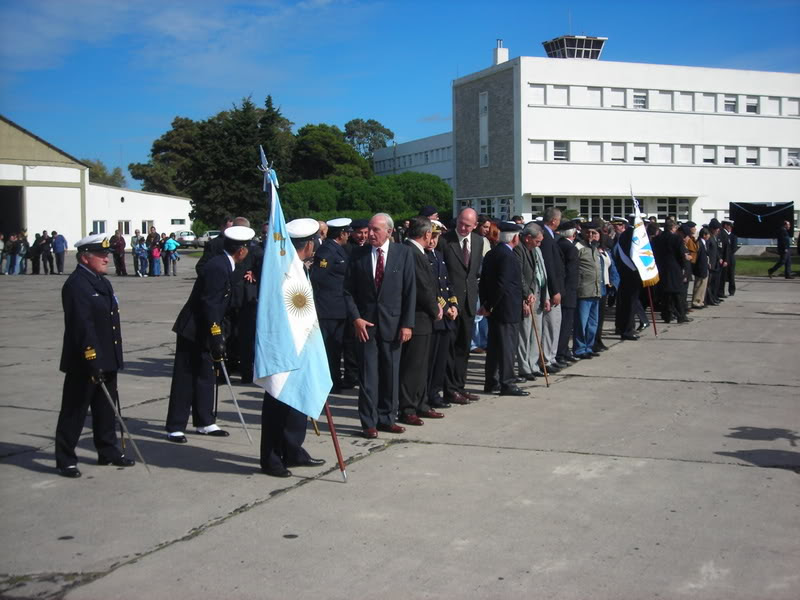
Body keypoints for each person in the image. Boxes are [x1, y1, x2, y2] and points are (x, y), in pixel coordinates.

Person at [164, 225, 255, 443]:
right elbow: (210, 303)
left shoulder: (227, 264)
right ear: (240, 250)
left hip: (207, 327)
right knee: (186, 376)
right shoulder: (218, 266)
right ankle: (175, 425)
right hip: (195, 328)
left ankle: (204, 420)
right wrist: (216, 334)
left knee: (206, 375)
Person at [54, 234, 134, 478]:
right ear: (84, 258)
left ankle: (107, 450)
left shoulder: (101, 281)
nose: (106, 259)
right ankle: (66, 458)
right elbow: (82, 327)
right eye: (101, 255)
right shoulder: (77, 285)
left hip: (107, 357)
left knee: (105, 409)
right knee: (75, 410)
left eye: (107, 254)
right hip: (85, 360)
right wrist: (92, 359)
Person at [260, 218, 326, 478]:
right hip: (283, 347)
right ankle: (271, 457)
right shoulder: (285, 270)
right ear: (309, 244)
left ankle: (293, 449)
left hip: (301, 346)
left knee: (297, 401)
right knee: (278, 403)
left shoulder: (301, 268)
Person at [343, 213, 416, 439]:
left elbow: (409, 291)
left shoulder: (403, 254)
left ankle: (387, 418)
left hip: (393, 325)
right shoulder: (358, 255)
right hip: (366, 326)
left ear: (389, 232)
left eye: (376, 230)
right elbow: (347, 291)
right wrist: (356, 318)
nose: (370, 234)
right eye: (369, 229)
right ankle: (368, 422)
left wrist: (407, 324)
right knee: (368, 377)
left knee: (390, 374)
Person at [398, 216, 444, 425]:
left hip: (423, 318)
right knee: (413, 366)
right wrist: (436, 309)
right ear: (426, 234)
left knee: (422, 365)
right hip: (416, 317)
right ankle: (408, 408)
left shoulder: (416, 251)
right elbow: (422, 287)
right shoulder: (412, 252)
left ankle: (421, 403)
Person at [439, 208, 483, 405]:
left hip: (469, 302)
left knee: (464, 347)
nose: (463, 228)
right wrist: (446, 302)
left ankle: (460, 386)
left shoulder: (478, 240)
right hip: (451, 304)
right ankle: (449, 389)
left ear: (475, 225)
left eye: (468, 225)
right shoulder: (445, 241)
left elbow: (472, 274)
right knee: (450, 348)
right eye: (461, 223)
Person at [479, 221, 529, 396]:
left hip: (495, 308)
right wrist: (490, 305)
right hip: (505, 309)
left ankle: (492, 381)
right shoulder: (508, 256)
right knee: (507, 347)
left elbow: (484, 282)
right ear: (515, 237)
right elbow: (502, 285)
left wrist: (486, 304)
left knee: (494, 347)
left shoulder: (493, 253)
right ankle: (507, 382)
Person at [310, 218, 353, 393]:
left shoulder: (338, 249)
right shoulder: (327, 251)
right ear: (341, 233)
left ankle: (335, 378)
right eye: (347, 233)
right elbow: (317, 277)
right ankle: (331, 380)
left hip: (338, 306)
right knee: (331, 348)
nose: (349, 236)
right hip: (328, 307)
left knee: (337, 346)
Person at [426, 220, 459, 410]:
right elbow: (430, 289)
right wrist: (445, 307)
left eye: (436, 237)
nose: (432, 241)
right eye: (430, 237)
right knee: (431, 360)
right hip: (436, 316)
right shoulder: (424, 258)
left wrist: (453, 304)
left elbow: (447, 284)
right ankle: (429, 393)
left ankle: (436, 392)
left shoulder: (438, 256)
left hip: (447, 318)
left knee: (441, 359)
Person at [515, 222, 548, 380]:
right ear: (528, 238)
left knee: (536, 333)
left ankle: (534, 364)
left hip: (535, 294)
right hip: (525, 296)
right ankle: (524, 367)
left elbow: (537, 273)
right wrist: (525, 296)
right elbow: (520, 275)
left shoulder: (533, 250)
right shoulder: (519, 249)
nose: (539, 244)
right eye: (537, 241)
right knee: (525, 334)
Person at [539, 208, 566, 369]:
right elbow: (549, 266)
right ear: (554, 221)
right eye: (559, 220)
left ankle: (551, 356)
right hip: (551, 290)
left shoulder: (549, 236)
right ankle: (546, 359)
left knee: (555, 324)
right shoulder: (547, 238)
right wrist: (555, 291)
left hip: (555, 288)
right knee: (550, 325)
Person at [573, 222, 602, 358]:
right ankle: (579, 348)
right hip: (583, 290)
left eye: (593, 233)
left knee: (593, 323)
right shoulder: (578, 247)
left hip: (596, 290)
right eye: (588, 232)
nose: (590, 235)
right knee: (581, 323)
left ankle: (589, 347)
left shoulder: (595, 249)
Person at [556, 221, 579, 364]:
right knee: (565, 325)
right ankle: (561, 352)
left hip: (566, 290)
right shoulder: (569, 247)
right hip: (568, 290)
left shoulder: (560, 244)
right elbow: (569, 272)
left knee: (565, 324)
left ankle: (563, 351)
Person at [721, 220, 738, 294]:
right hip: (724, 257)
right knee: (723, 275)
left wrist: (728, 256)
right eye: (729, 226)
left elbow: (734, 248)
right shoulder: (722, 235)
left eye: (731, 226)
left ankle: (732, 290)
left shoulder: (733, 236)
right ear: (725, 226)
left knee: (731, 275)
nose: (730, 228)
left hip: (731, 258)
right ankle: (721, 291)